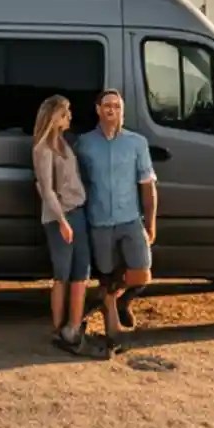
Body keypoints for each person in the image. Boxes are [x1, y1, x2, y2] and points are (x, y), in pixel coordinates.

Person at [74, 88, 157, 351]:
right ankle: (113, 328)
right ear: (98, 110)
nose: (113, 110)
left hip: (130, 218)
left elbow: (147, 185)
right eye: (107, 105)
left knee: (142, 273)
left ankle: (120, 301)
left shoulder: (137, 143)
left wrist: (151, 222)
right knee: (107, 275)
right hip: (99, 220)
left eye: (117, 106)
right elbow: (78, 183)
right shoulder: (84, 144)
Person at [31, 95, 91, 353]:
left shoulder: (65, 144)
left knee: (81, 271)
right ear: (54, 117)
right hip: (60, 217)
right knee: (62, 274)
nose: (70, 118)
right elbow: (46, 190)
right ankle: (58, 328)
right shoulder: (42, 150)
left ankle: (73, 327)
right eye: (65, 114)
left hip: (78, 212)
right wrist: (62, 222)